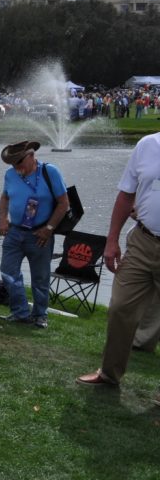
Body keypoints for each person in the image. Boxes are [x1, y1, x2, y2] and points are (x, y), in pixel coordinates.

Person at [77, 132, 160, 392]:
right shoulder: (147, 145)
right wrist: (111, 241)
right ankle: (110, 373)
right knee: (120, 308)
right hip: (143, 240)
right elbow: (126, 196)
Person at [0, 140, 69, 329]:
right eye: (13, 164)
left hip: (40, 234)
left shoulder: (50, 172)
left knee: (40, 277)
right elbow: (5, 197)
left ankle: (40, 315)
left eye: (19, 162)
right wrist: (3, 219)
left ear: (31, 156)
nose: (16, 167)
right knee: (7, 271)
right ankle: (20, 312)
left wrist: (49, 229)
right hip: (14, 232)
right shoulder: (10, 174)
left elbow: (63, 203)